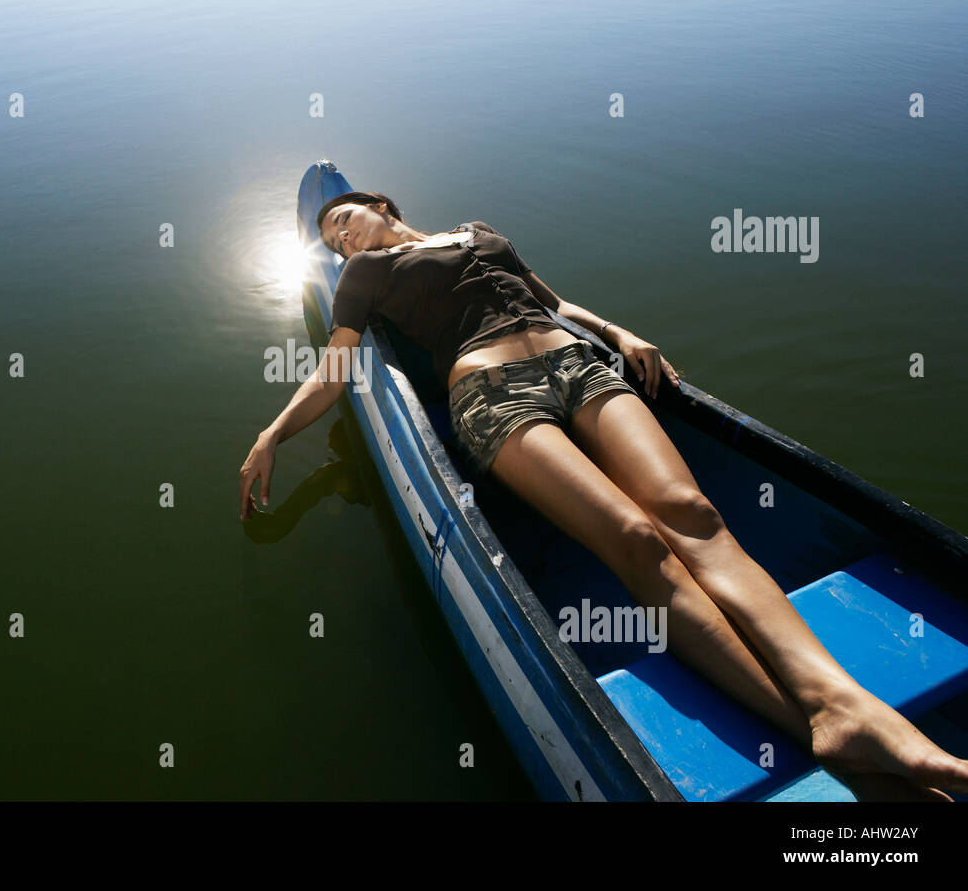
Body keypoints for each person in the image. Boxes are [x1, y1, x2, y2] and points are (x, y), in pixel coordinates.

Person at [238, 189, 968, 800]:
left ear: (378, 202)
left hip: (580, 366)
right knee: (636, 539)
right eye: (331, 238)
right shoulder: (366, 272)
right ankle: (818, 726)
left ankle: (843, 704)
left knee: (696, 518)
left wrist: (621, 331)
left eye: (343, 222)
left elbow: (553, 302)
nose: (339, 239)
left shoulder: (479, 232)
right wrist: (272, 435)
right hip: (493, 396)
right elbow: (336, 373)